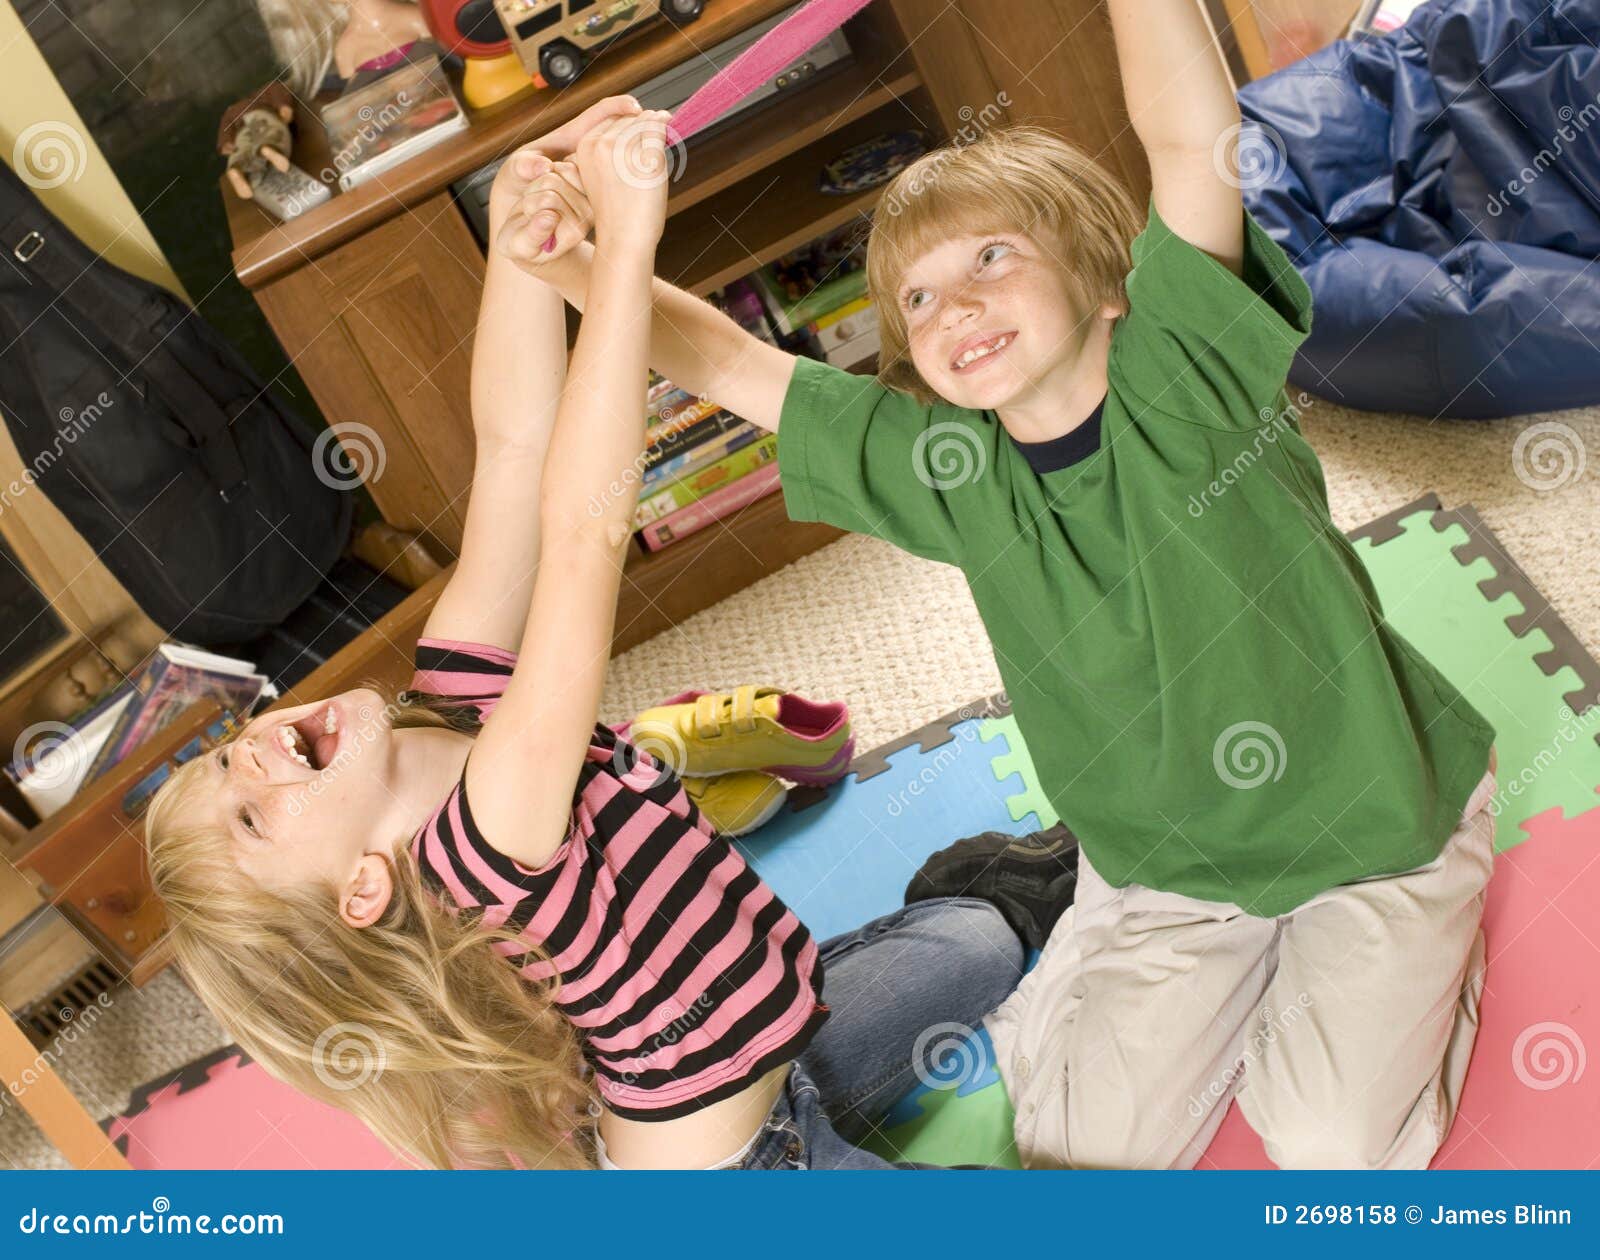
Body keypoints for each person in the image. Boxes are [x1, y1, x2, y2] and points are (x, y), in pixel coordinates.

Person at [504, 0, 1498, 1170]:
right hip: (1167, 869)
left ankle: (1422, 922)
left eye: (991, 259)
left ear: (1110, 287)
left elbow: (1185, 140)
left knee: (1333, 1148)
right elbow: (728, 359)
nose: (955, 305)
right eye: (917, 299)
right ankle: (1077, 917)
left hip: (1375, 824)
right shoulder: (947, 470)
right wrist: (576, 260)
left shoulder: (1185, 369)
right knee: (1075, 1149)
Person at [145, 97, 1026, 1171]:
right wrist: (621, 250)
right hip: (753, 1162)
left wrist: (520, 247)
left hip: (782, 1035)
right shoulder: (484, 840)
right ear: (365, 888)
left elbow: (514, 454)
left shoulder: (448, 698)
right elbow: (583, 534)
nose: (256, 750)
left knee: (989, 929)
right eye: (250, 813)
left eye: (228, 751)